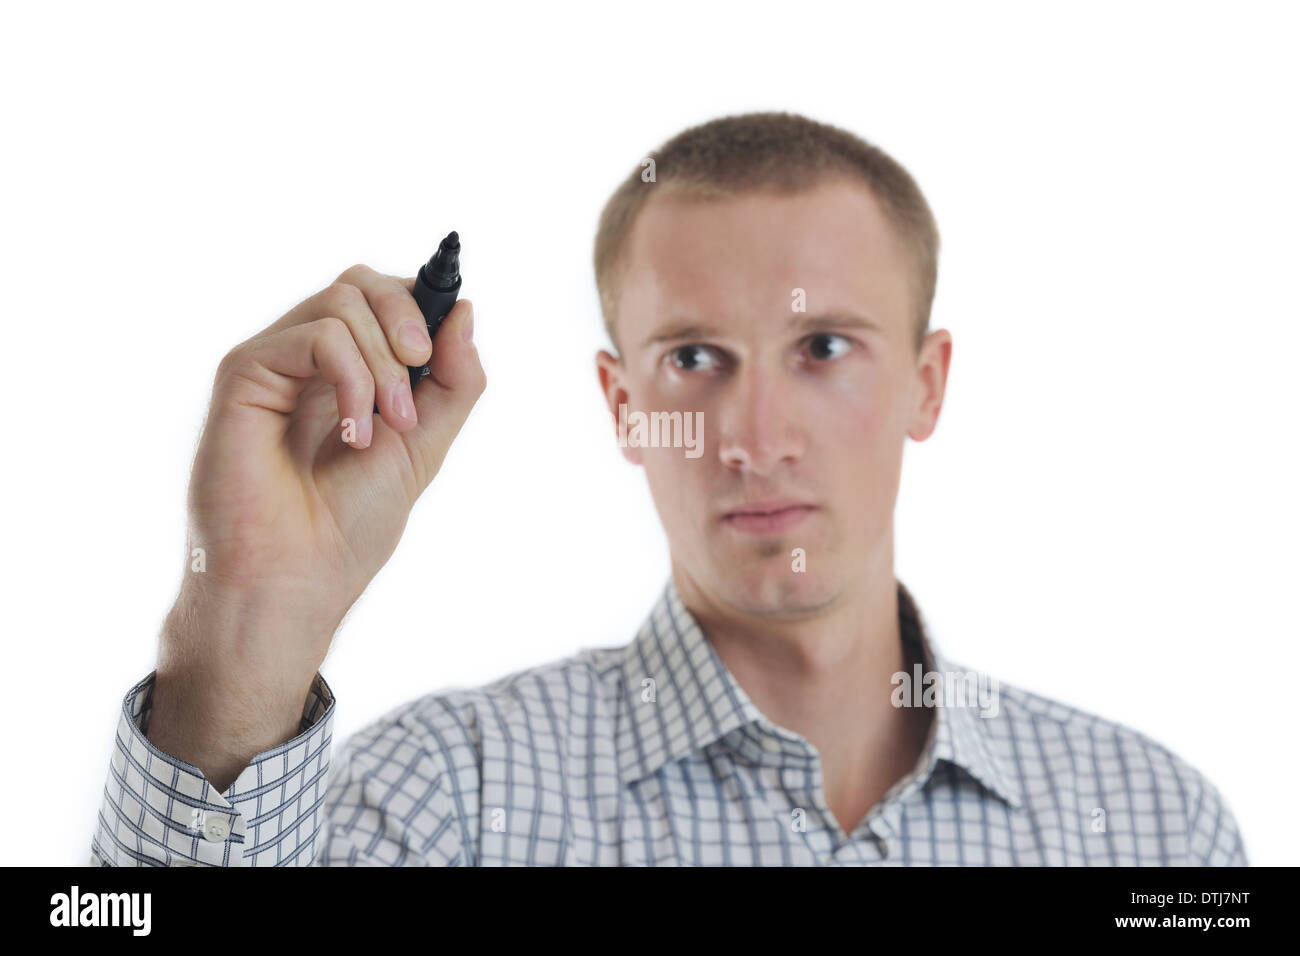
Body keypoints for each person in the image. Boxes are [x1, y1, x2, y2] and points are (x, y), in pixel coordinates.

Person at [90, 112, 1247, 866]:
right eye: (694, 357)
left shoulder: (1156, 830)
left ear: (925, 382)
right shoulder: (448, 798)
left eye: (824, 348)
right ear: (621, 402)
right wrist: (239, 633)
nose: (755, 438)